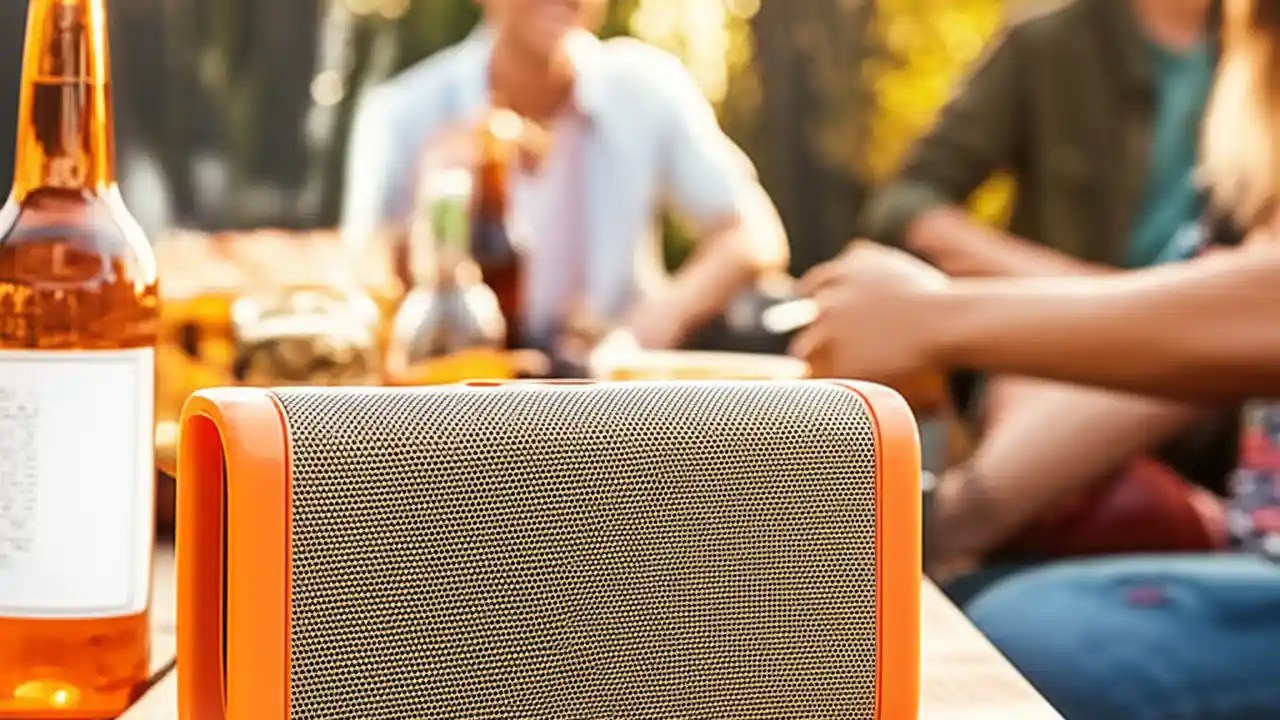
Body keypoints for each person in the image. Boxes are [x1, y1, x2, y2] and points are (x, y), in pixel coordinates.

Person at [793, 0, 1280, 716]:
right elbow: (1184, 357)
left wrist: (943, 315)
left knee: (1025, 636)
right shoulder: (1065, 46)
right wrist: (933, 531)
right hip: (1234, 533)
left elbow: (1236, 321)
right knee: (952, 615)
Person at [340, 0, 789, 355]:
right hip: (465, 399)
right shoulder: (403, 112)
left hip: (613, 403)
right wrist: (434, 200)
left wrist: (646, 330)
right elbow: (363, 280)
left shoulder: (647, 89)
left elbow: (753, 234)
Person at [860, 0, 1218, 277]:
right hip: (1063, 341)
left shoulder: (1260, 52)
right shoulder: (1047, 46)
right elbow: (906, 202)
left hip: (1213, 346)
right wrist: (1069, 287)